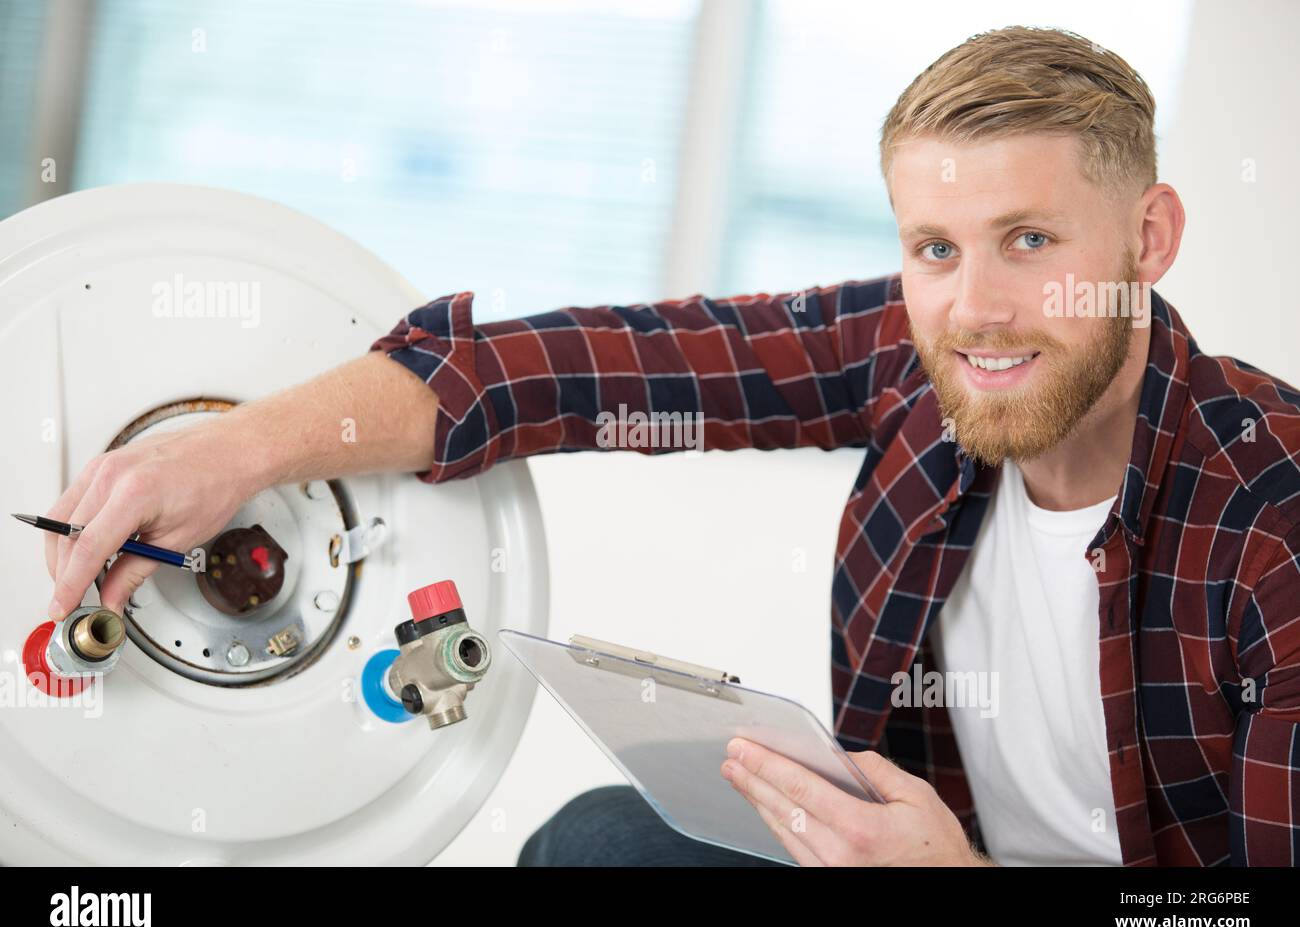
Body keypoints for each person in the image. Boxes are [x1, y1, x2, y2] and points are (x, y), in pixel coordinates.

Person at [40, 26, 1300, 866]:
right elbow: (560, 371)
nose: (972, 306)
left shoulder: (1270, 521)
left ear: (1150, 236)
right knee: (597, 844)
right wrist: (234, 453)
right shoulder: (913, 355)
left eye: (1030, 240)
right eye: (934, 246)